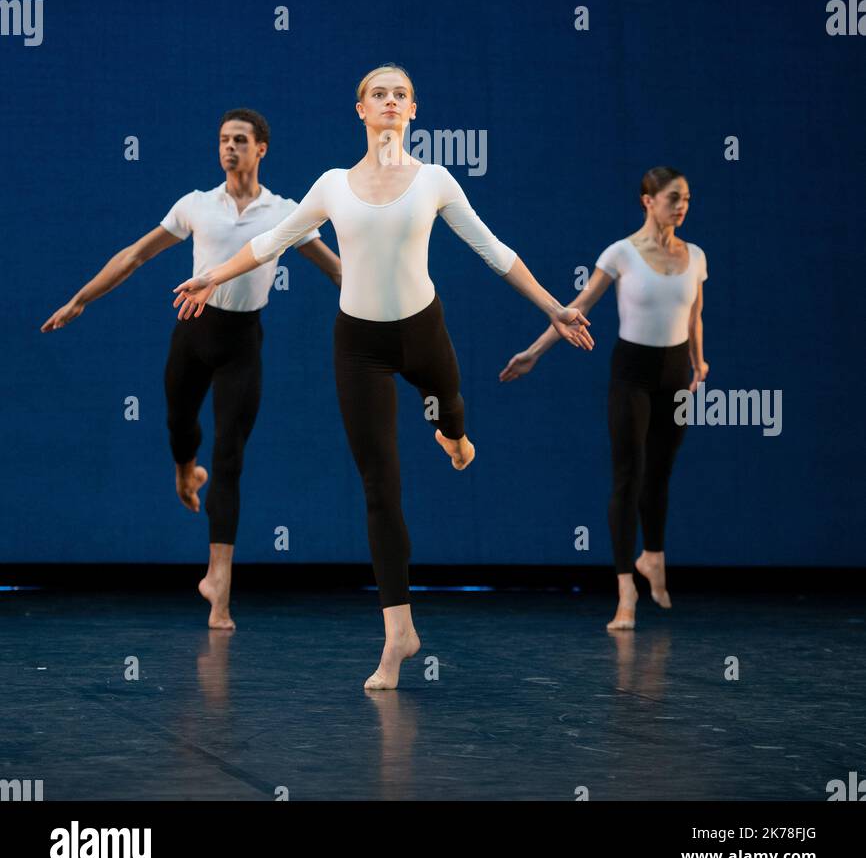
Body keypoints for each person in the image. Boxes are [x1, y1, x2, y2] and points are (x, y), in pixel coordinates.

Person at [171, 65, 595, 688]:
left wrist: (554, 306)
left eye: (400, 94)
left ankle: (453, 437)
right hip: (359, 345)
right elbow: (272, 243)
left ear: (413, 111)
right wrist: (214, 275)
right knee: (380, 486)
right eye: (379, 94)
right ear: (361, 111)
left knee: (451, 411)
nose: (390, 102)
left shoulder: (434, 180)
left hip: (423, 332)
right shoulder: (333, 186)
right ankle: (399, 630)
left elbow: (494, 251)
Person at [40, 109, 341, 629]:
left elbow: (336, 268)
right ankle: (184, 470)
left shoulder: (284, 212)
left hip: (243, 342)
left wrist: (389, 304)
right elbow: (135, 256)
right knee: (180, 426)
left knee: (230, 458)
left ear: (261, 148)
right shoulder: (196, 206)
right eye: (223, 140)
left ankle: (217, 583)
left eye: (240, 140)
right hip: (192, 334)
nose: (229, 148)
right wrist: (81, 300)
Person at [499, 166, 709, 631]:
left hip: (675, 376)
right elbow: (579, 308)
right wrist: (533, 353)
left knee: (660, 475)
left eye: (687, 199)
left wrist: (699, 361)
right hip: (631, 374)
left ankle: (652, 558)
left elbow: (694, 314)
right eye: (674, 197)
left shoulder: (695, 256)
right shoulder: (621, 254)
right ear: (647, 200)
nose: (682, 206)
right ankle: (625, 591)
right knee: (627, 476)